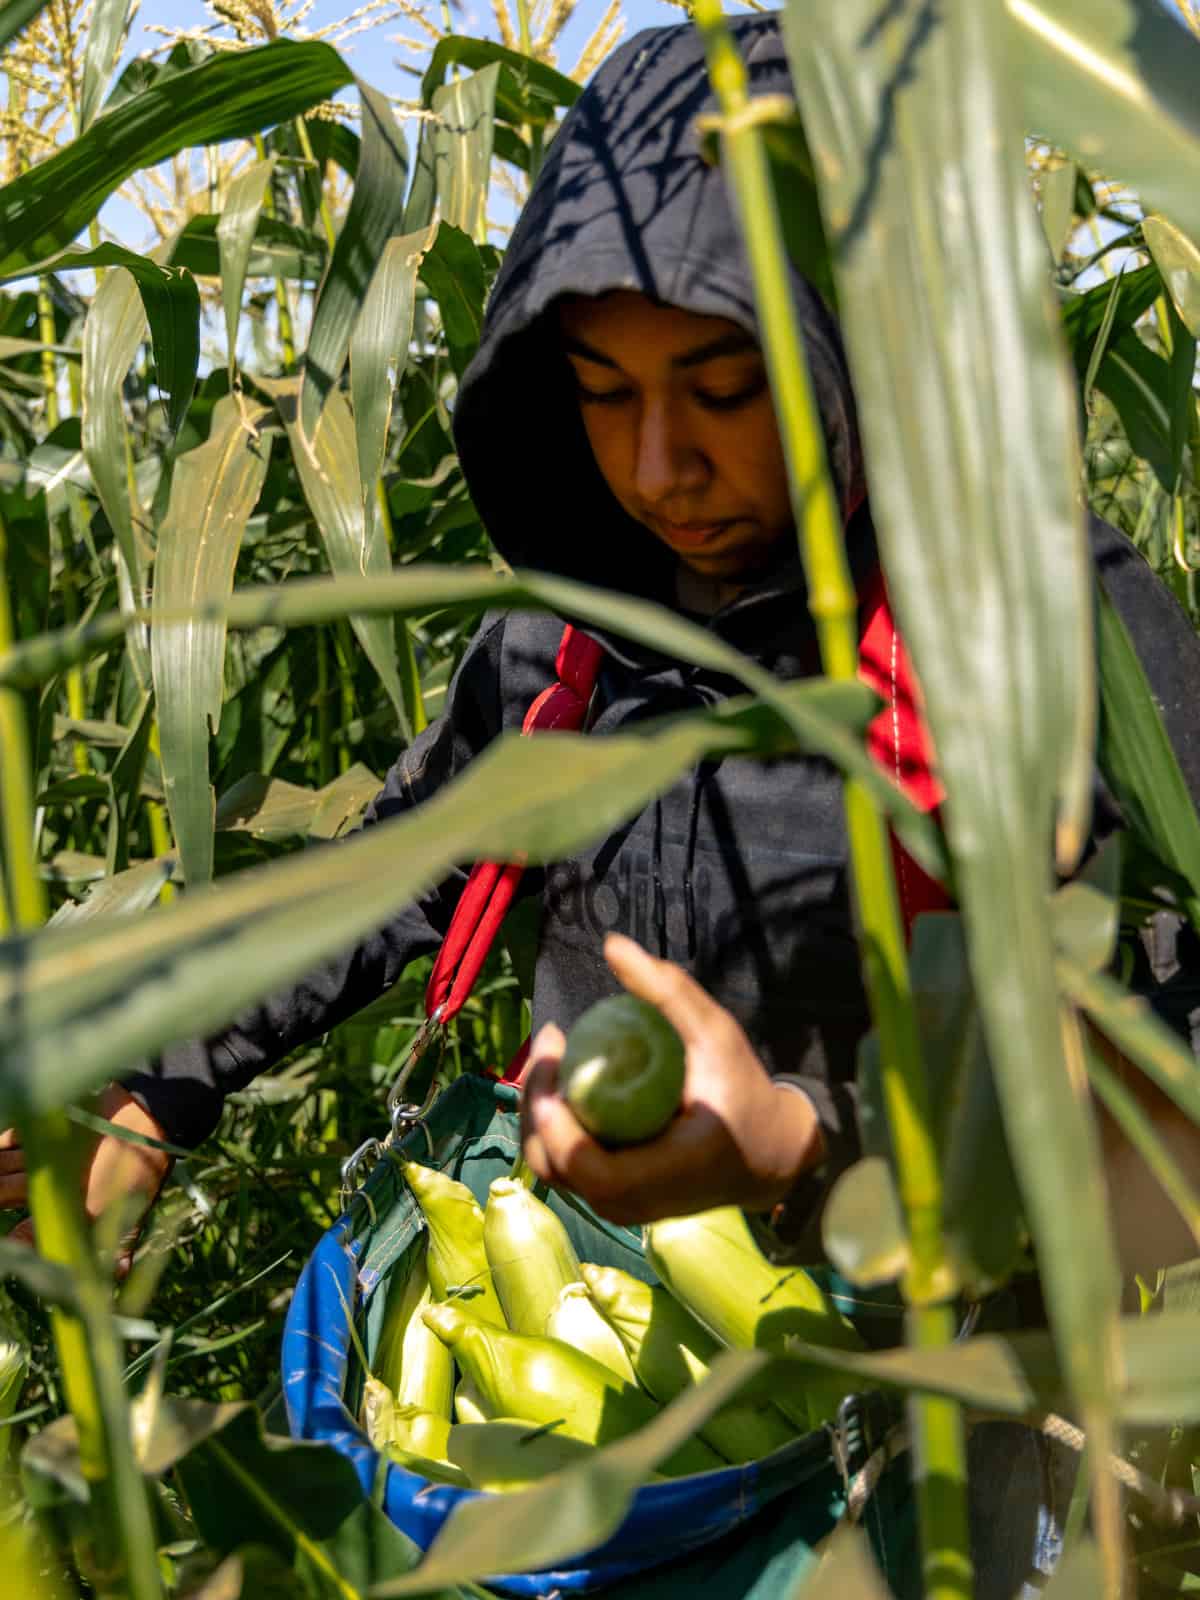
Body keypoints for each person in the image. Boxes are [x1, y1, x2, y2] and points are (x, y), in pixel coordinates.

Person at [4, 13, 1200, 1593]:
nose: (659, 467)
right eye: (599, 391)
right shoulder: (574, 633)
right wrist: (149, 1090)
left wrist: (794, 1149)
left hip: (922, 1425)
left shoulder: (1057, 635)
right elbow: (401, 875)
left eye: (721, 387)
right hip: (582, 1349)